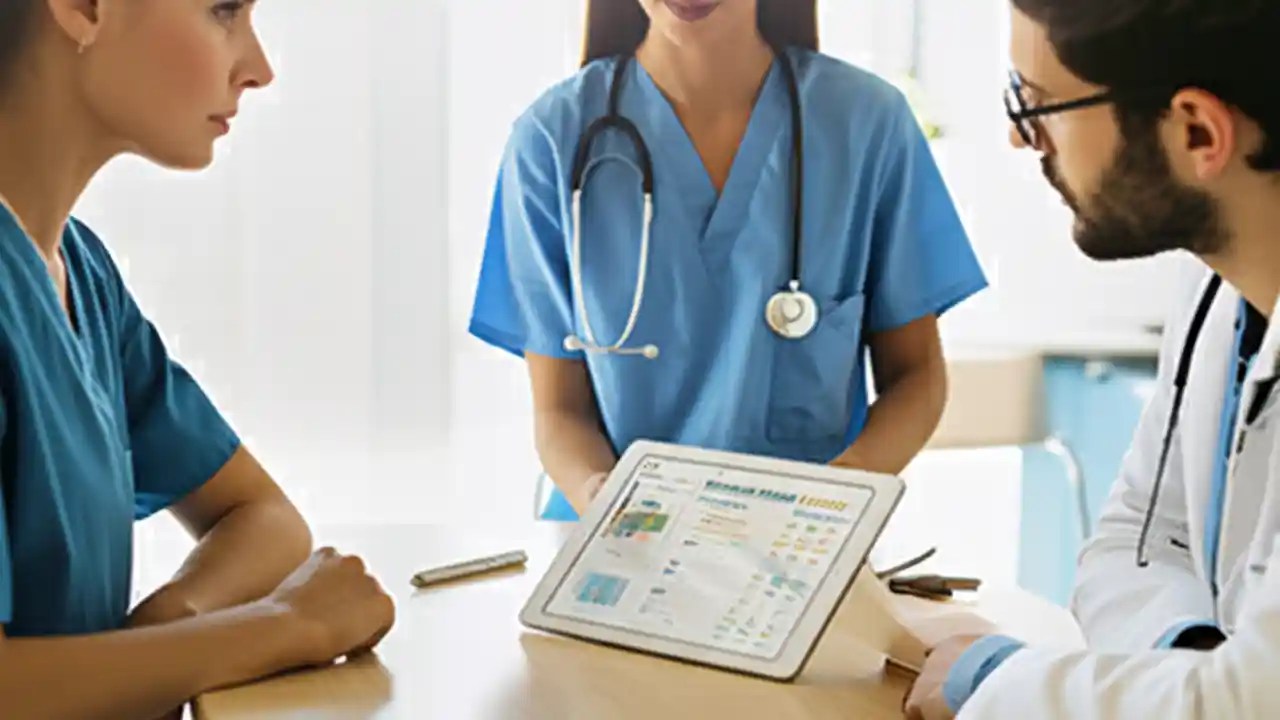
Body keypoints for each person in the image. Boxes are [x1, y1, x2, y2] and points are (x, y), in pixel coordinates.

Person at [0, 1, 395, 717]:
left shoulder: (79, 273)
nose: (260, 68)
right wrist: (282, 627)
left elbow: (265, 516)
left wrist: (159, 639)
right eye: (223, 11)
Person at [904, 1, 1280, 718]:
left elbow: (1254, 702)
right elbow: (1134, 535)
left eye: (1037, 104)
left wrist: (997, 682)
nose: (1020, 137)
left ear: (1198, 131)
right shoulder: (1215, 287)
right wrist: (1187, 671)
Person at [469, 0, 987, 519]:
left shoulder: (866, 125)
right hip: (620, 546)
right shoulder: (551, 141)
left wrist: (839, 495)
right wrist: (600, 497)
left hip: (799, 547)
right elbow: (560, 410)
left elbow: (916, 375)